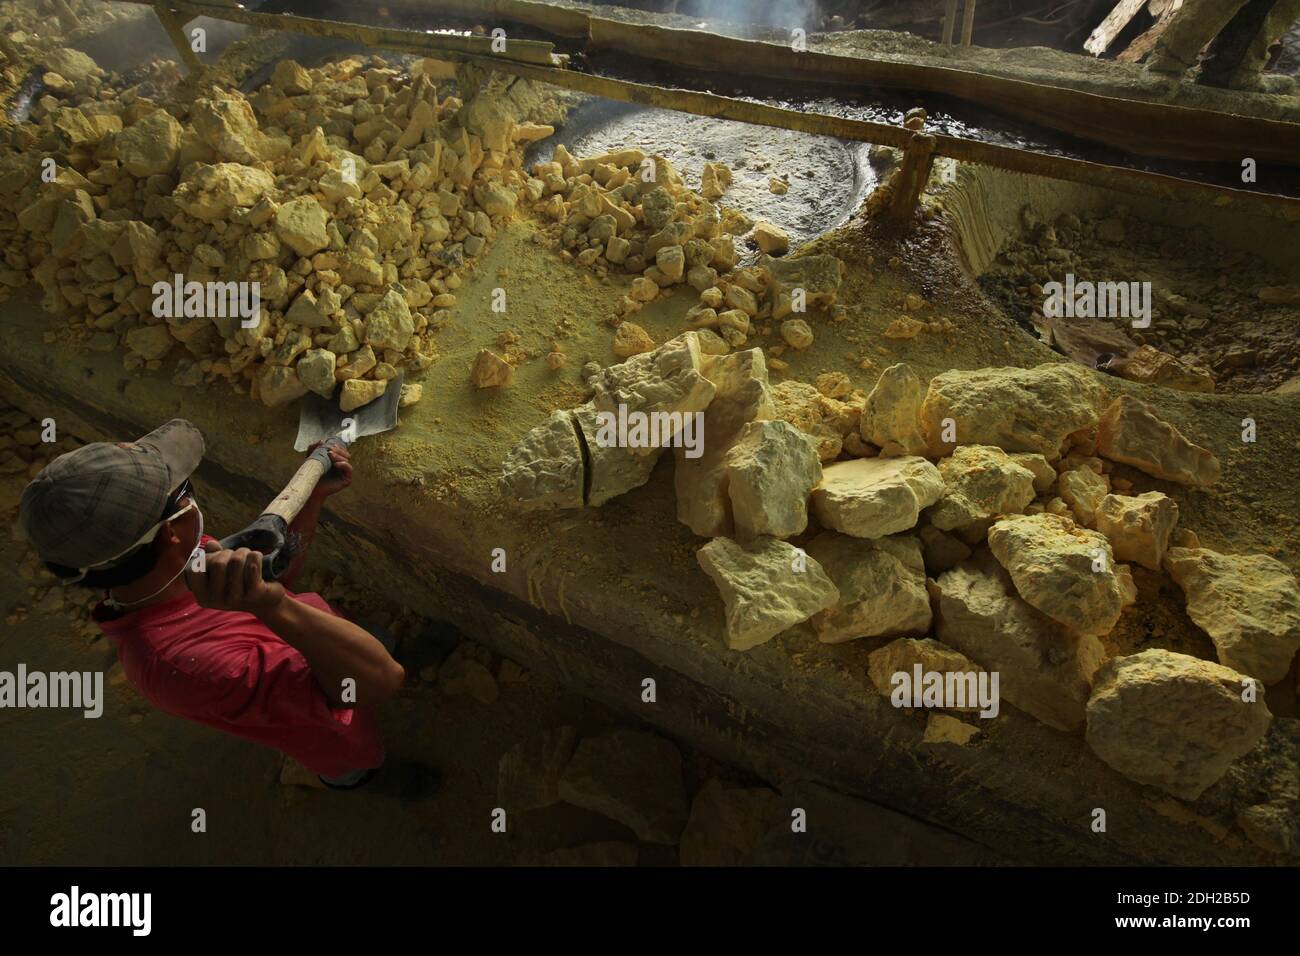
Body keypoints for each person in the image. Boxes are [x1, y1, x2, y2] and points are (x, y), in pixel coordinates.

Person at [19, 418, 420, 791]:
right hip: (338, 724)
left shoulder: (170, 566)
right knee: (355, 756)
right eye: (184, 491)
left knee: (371, 644)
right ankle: (364, 778)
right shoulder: (185, 667)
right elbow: (379, 681)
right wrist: (271, 606)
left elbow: (275, 572)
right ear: (172, 531)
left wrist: (312, 496)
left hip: (327, 643)